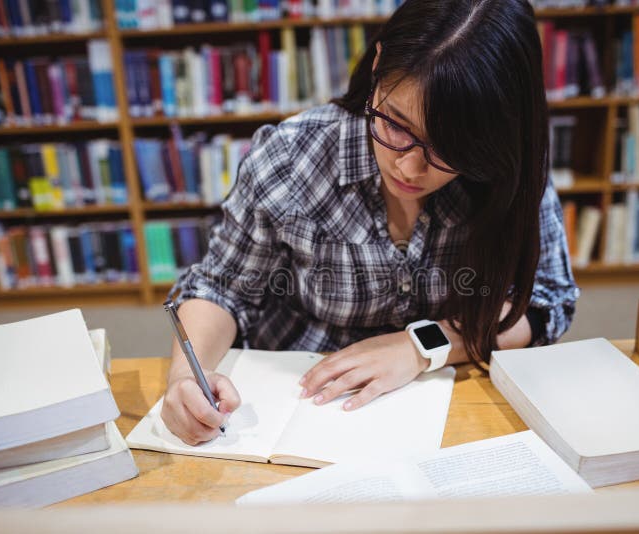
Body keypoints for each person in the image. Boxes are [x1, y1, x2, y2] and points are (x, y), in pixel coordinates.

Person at [161, 0, 580, 445]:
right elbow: (223, 288)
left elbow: (548, 301)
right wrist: (186, 378)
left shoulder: (508, 172)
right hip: (296, 406)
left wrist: (423, 347)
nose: (411, 168)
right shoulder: (291, 156)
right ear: (378, 65)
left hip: (451, 404)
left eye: (451, 149)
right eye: (396, 125)